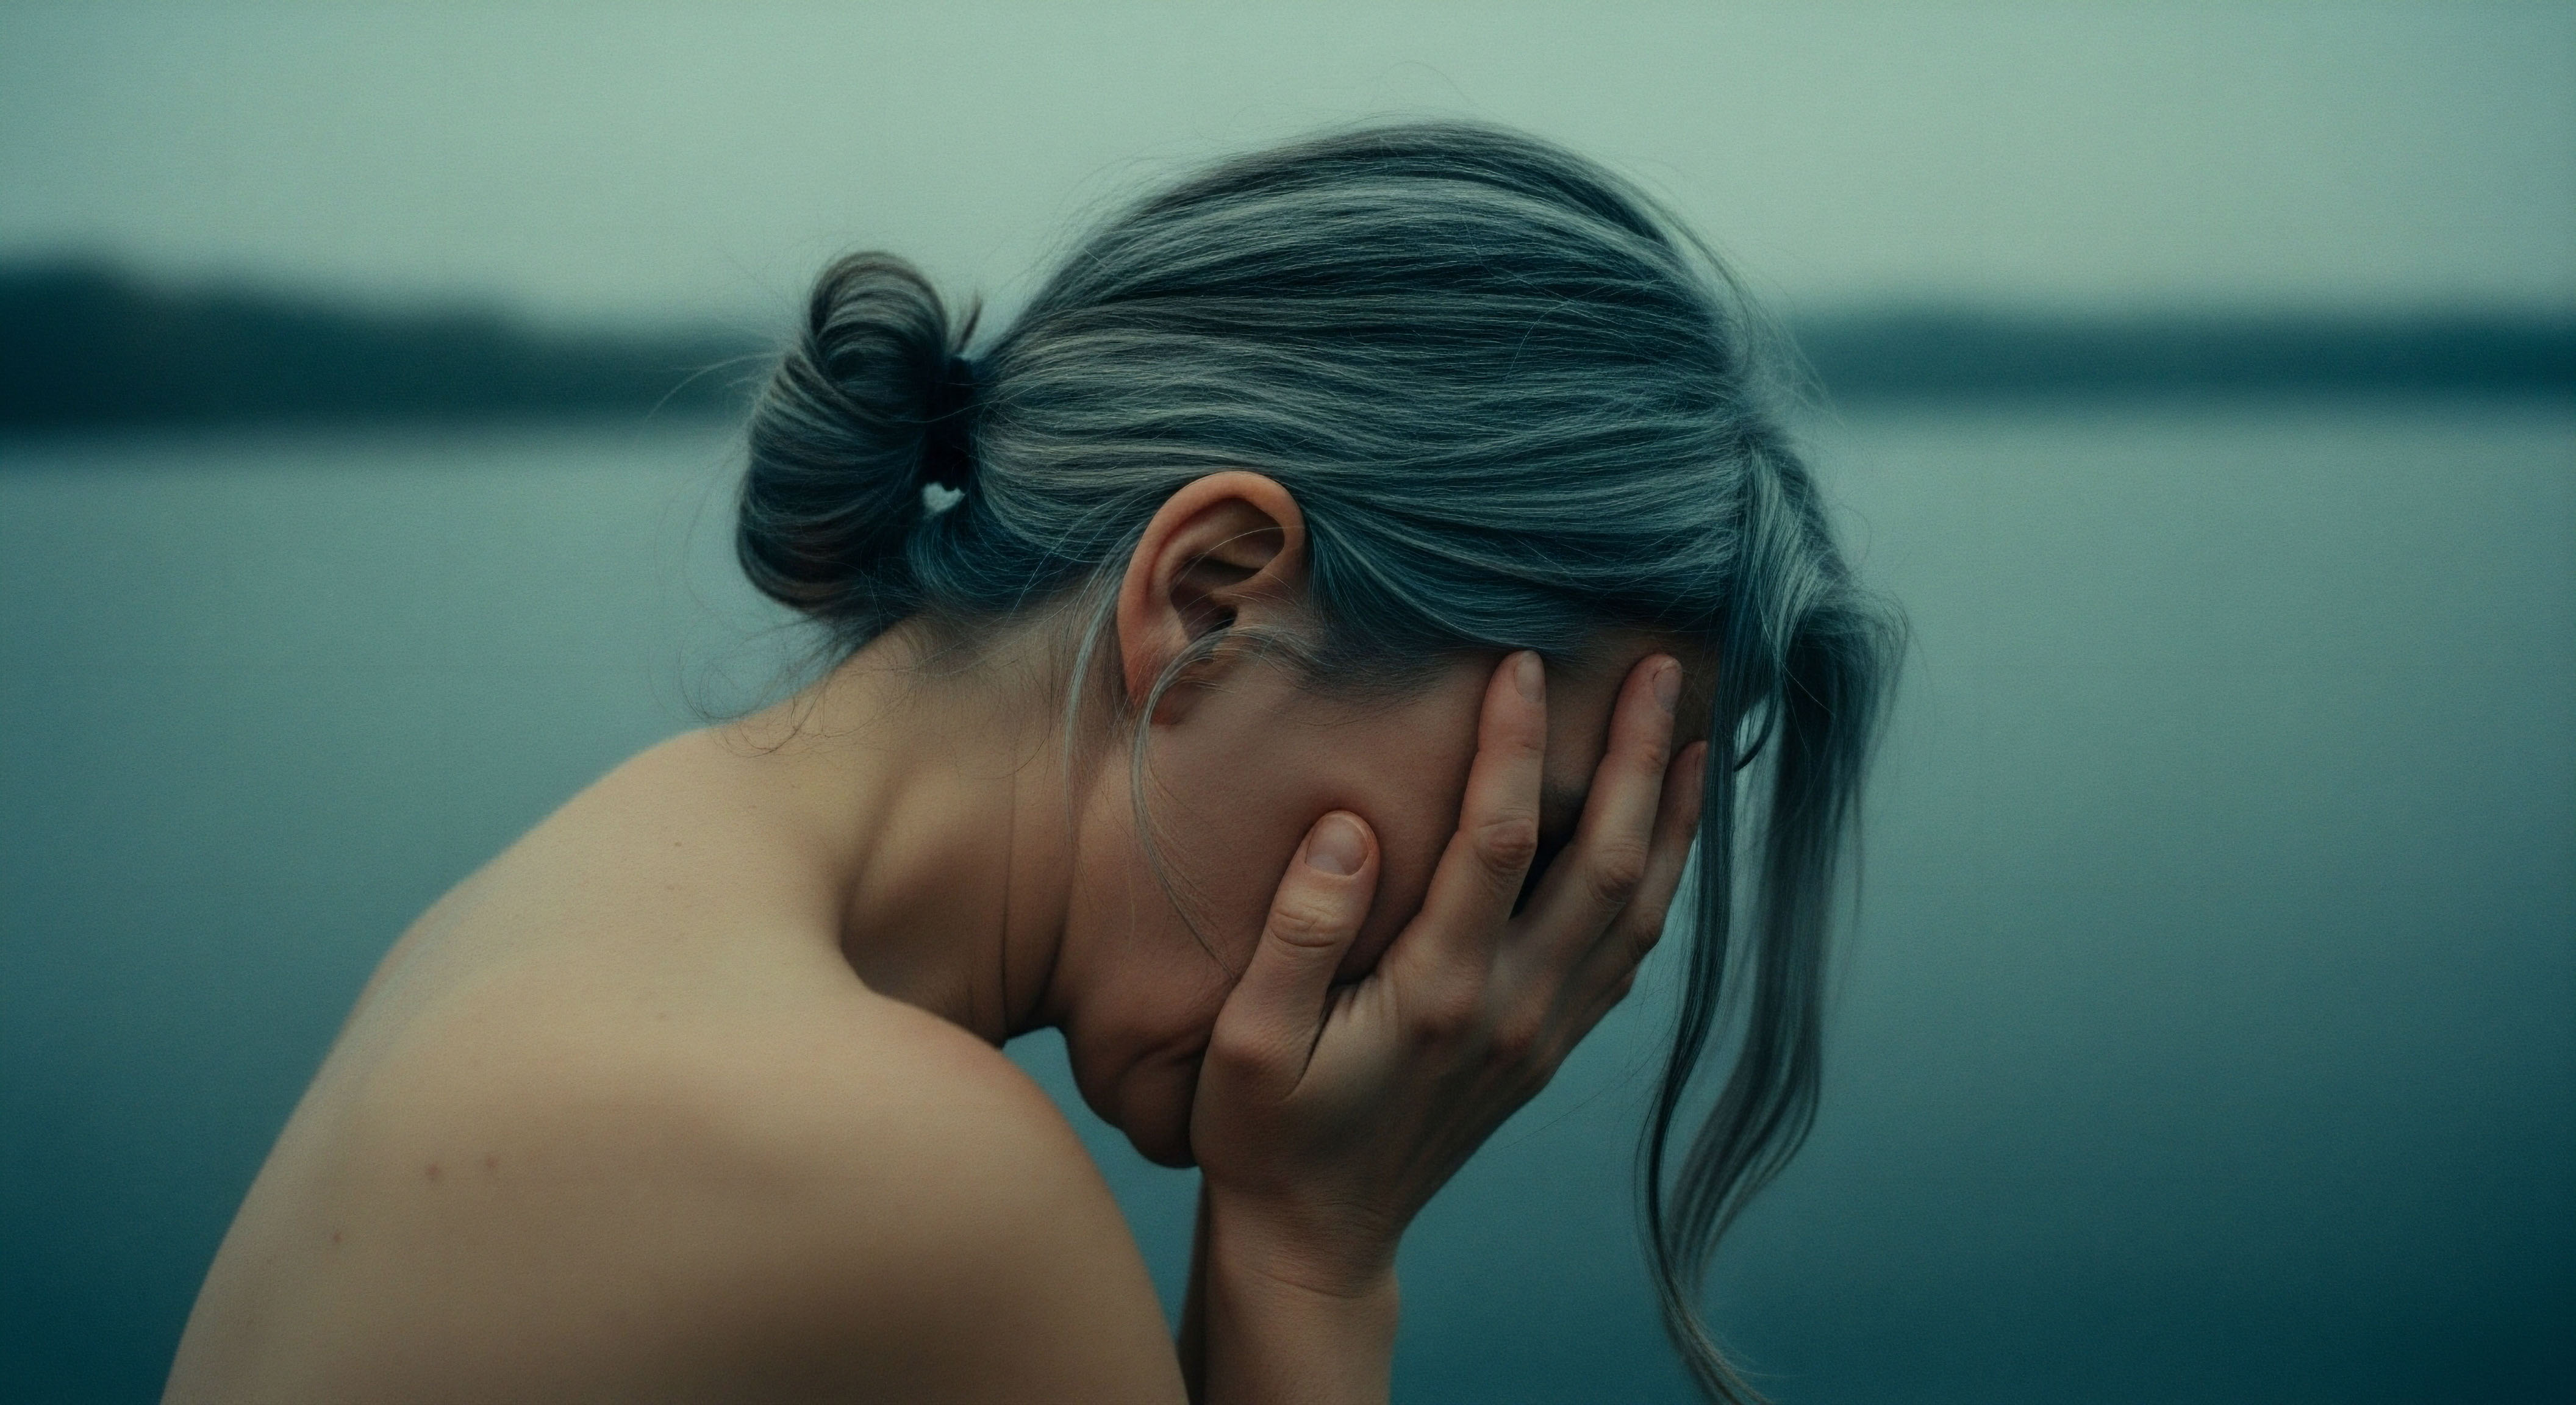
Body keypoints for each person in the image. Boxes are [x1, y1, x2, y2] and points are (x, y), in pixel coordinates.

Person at [163, 121, 1898, 1404]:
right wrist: (1311, 1254)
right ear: (1211, 597)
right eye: (1529, 826)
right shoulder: (900, 1177)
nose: (1498, 969)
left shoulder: (580, 898)